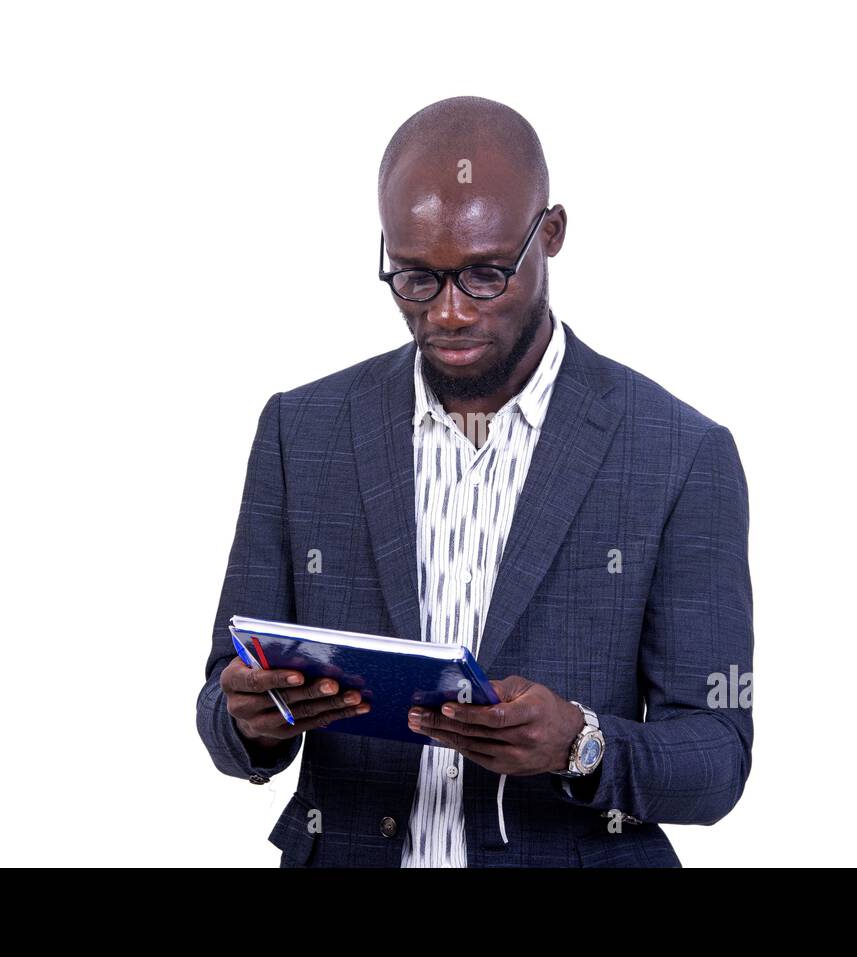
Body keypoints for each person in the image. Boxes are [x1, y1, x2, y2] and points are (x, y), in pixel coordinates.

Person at [196, 96, 754, 867]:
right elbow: (222, 706)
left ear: (550, 235)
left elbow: (719, 756)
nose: (450, 313)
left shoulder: (680, 453)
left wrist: (581, 746)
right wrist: (252, 719)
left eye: (486, 274)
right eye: (417, 279)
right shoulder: (302, 432)